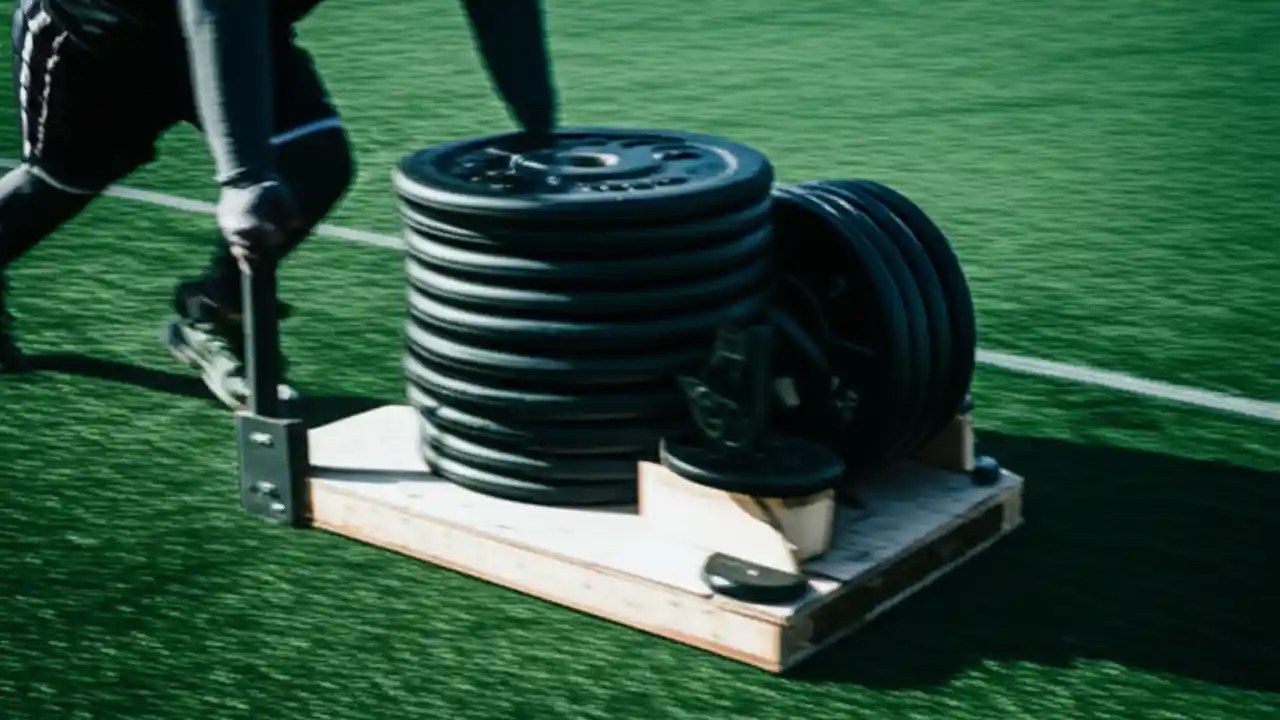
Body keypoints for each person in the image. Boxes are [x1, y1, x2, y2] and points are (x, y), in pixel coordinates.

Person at [0, 0, 557, 410]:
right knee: (60, 184)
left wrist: (542, 133)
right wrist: (243, 176)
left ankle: (210, 312)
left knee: (315, 163)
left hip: (242, 29)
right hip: (100, 37)